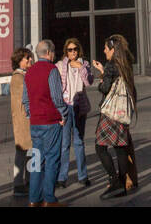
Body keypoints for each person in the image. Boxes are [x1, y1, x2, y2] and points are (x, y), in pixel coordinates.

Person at [22, 39, 70, 206]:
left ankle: (34, 199)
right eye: (54, 51)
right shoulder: (52, 70)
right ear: (48, 53)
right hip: (50, 121)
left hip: (35, 122)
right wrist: (63, 115)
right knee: (51, 160)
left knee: (36, 160)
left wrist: (31, 114)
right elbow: (57, 98)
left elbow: (25, 99)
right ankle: (49, 199)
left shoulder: (28, 72)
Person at [92, 34, 138, 200]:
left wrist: (101, 77)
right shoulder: (125, 64)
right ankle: (121, 184)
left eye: (106, 48)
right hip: (122, 113)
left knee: (100, 147)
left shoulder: (111, 65)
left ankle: (114, 181)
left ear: (112, 49)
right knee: (120, 148)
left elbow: (105, 88)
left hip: (110, 113)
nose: (104, 51)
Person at [57, 38, 94, 188]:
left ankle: (82, 176)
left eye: (75, 49)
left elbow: (89, 82)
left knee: (79, 142)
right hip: (65, 107)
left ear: (79, 50)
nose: (73, 52)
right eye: (70, 50)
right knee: (65, 144)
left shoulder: (84, 64)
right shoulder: (59, 66)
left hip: (79, 107)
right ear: (66, 51)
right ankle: (62, 177)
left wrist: (81, 68)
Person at [10, 47, 34, 196]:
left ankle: (27, 181)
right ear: (19, 61)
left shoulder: (23, 76)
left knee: (26, 152)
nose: (30, 60)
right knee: (26, 152)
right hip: (24, 122)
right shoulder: (19, 77)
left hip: (24, 122)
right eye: (27, 58)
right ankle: (21, 183)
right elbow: (26, 101)